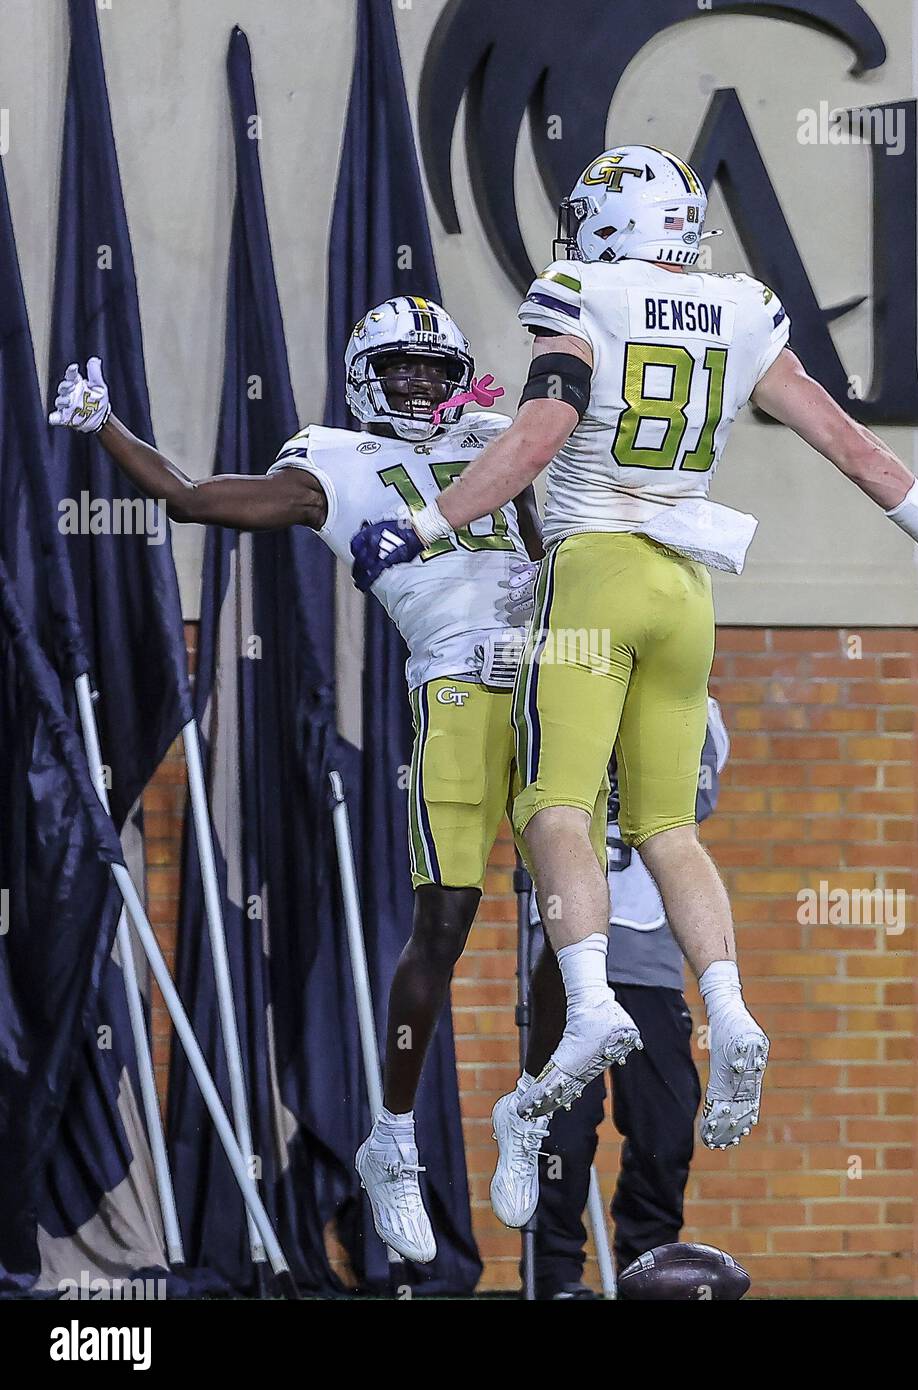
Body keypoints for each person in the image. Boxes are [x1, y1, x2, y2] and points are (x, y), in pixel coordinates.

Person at [297, 146, 918, 1219]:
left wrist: (429, 520)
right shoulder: (739, 305)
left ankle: (585, 1006)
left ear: (601, 228)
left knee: (555, 803)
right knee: (669, 826)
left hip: (599, 568)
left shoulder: (586, 291)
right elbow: (850, 444)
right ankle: (733, 1004)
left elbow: (541, 433)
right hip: (690, 589)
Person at [48, 296, 572, 1266]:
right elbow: (198, 497)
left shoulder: (498, 437)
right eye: (400, 367)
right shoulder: (332, 462)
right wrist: (106, 426)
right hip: (457, 687)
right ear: (364, 376)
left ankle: (531, 1107)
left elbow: (549, 547)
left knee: (573, 918)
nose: (419, 383)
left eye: (434, 367)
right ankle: (395, 1141)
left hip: (550, 687)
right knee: (445, 920)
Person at [528, 699, 729, 1299]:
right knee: (560, 1132)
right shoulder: (556, 687)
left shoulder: (691, 702)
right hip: (566, 956)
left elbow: (692, 803)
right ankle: (556, 1278)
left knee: (665, 1128)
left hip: (652, 957)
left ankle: (651, 1273)